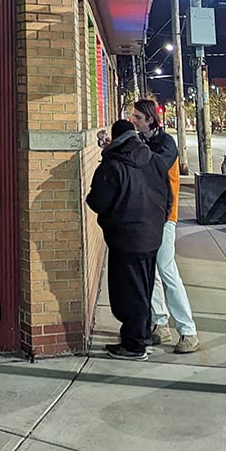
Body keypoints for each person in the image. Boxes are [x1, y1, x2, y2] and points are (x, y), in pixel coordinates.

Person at [87, 118, 172, 361]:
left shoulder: (113, 164)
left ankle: (134, 345)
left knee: (128, 292)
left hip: (125, 238)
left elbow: (97, 201)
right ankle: (142, 333)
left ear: (115, 138)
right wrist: (158, 221)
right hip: (152, 236)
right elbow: (168, 196)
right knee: (143, 288)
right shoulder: (154, 160)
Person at [130, 99, 201, 354]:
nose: (134, 121)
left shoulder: (166, 144)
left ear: (150, 118)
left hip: (164, 218)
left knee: (167, 270)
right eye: (133, 117)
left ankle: (188, 331)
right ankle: (160, 324)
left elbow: (153, 165)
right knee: (153, 272)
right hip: (148, 217)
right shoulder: (144, 142)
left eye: (137, 117)